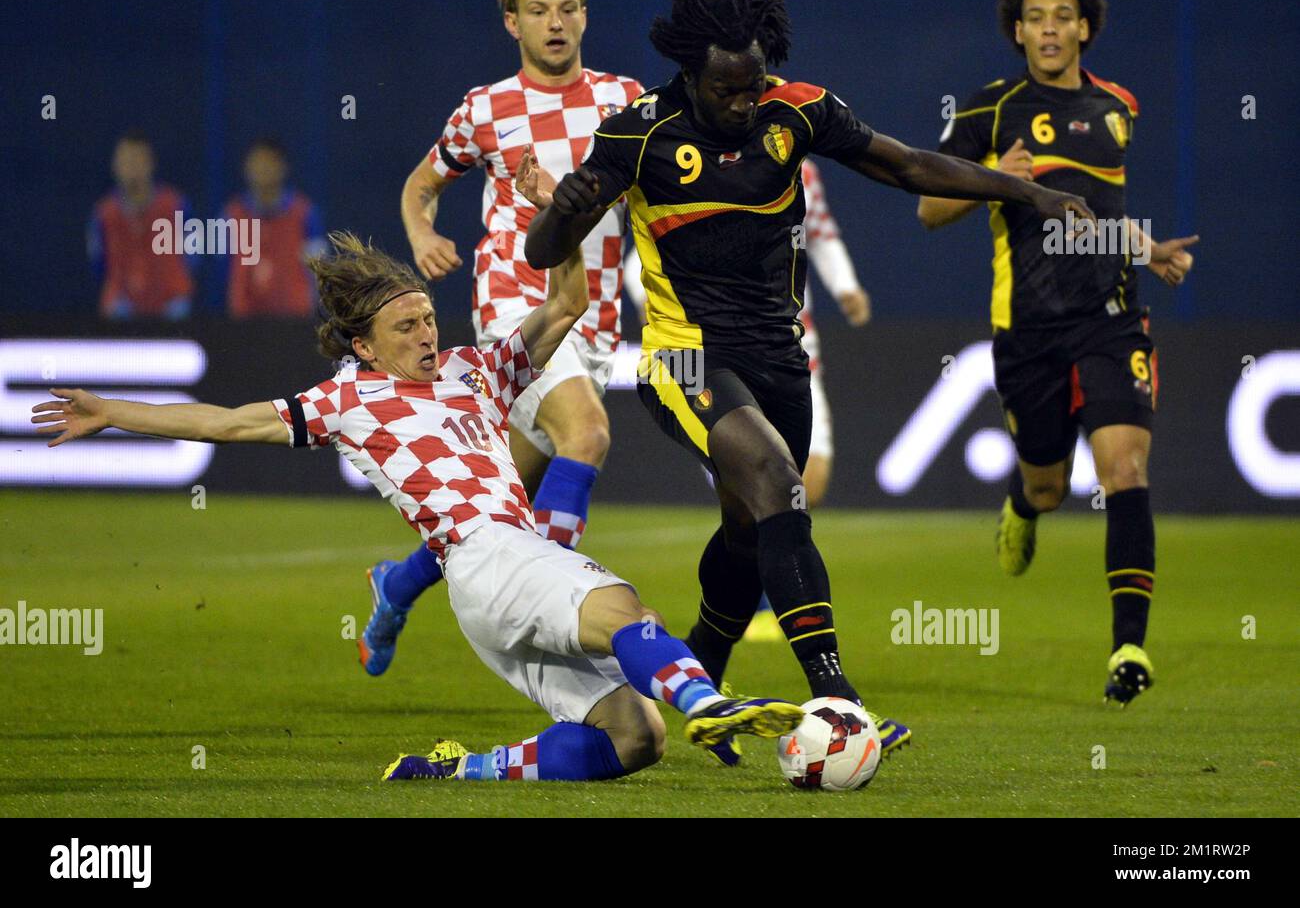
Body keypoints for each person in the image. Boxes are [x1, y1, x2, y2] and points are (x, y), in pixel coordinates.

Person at [526, 0, 1097, 761]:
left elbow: (902, 164)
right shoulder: (637, 136)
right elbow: (540, 252)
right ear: (690, 76)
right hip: (684, 357)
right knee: (776, 483)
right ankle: (839, 698)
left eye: (752, 85)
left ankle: (703, 684)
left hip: (777, 358)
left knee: (747, 530)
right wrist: (563, 207)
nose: (743, 103)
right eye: (727, 91)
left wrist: (1021, 193)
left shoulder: (796, 110)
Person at [31, 222, 805, 784]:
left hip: (487, 593)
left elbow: (567, 301)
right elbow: (225, 422)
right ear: (364, 345)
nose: (427, 335)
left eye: (429, 317)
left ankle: (459, 769)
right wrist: (114, 411)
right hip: (488, 553)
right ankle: (707, 701)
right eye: (406, 327)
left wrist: (560, 221)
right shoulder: (347, 398)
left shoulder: (476, 369)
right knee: (621, 606)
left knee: (633, 739)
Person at [916, 0, 1196, 705]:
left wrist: (1147, 248)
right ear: (1018, 30)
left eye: (1063, 16)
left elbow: (1099, 216)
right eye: (1036, 16)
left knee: (1125, 470)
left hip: (1112, 319)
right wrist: (994, 180)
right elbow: (928, 210)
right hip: (1028, 329)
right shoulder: (990, 110)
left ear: (1084, 29)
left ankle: (1128, 648)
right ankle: (1023, 499)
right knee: (1051, 484)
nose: (1049, 27)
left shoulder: (1117, 108)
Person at [364, 0, 645, 677]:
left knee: (496, 501)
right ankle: (554, 603)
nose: (556, 23)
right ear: (511, 23)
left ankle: (397, 585)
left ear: (585, 15)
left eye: (568, 8)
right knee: (586, 433)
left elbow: (653, 201)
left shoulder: (627, 101)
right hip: (519, 307)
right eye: (538, 11)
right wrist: (422, 232)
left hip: (597, 316)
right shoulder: (484, 110)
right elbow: (421, 185)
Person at [624, 158, 872, 643]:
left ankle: (711, 645)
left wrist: (846, 287)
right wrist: (656, 308)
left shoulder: (801, 166)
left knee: (805, 483)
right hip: (710, 357)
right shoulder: (688, 164)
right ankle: (760, 614)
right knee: (762, 490)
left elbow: (817, 232)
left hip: (791, 351)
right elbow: (642, 260)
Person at [88, 131, 196, 320]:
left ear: (151, 163)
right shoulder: (104, 213)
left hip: (171, 305)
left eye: (138, 160)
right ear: (115, 165)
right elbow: (98, 263)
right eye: (126, 161)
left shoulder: (176, 205)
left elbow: (193, 256)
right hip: (122, 306)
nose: (132, 168)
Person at [224, 138, 327, 318]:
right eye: (258, 162)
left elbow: (319, 269)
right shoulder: (232, 214)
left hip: (294, 318)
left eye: (270, 162)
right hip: (244, 320)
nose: (263, 169)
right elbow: (223, 269)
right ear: (247, 167)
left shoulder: (305, 214)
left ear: (282, 167)